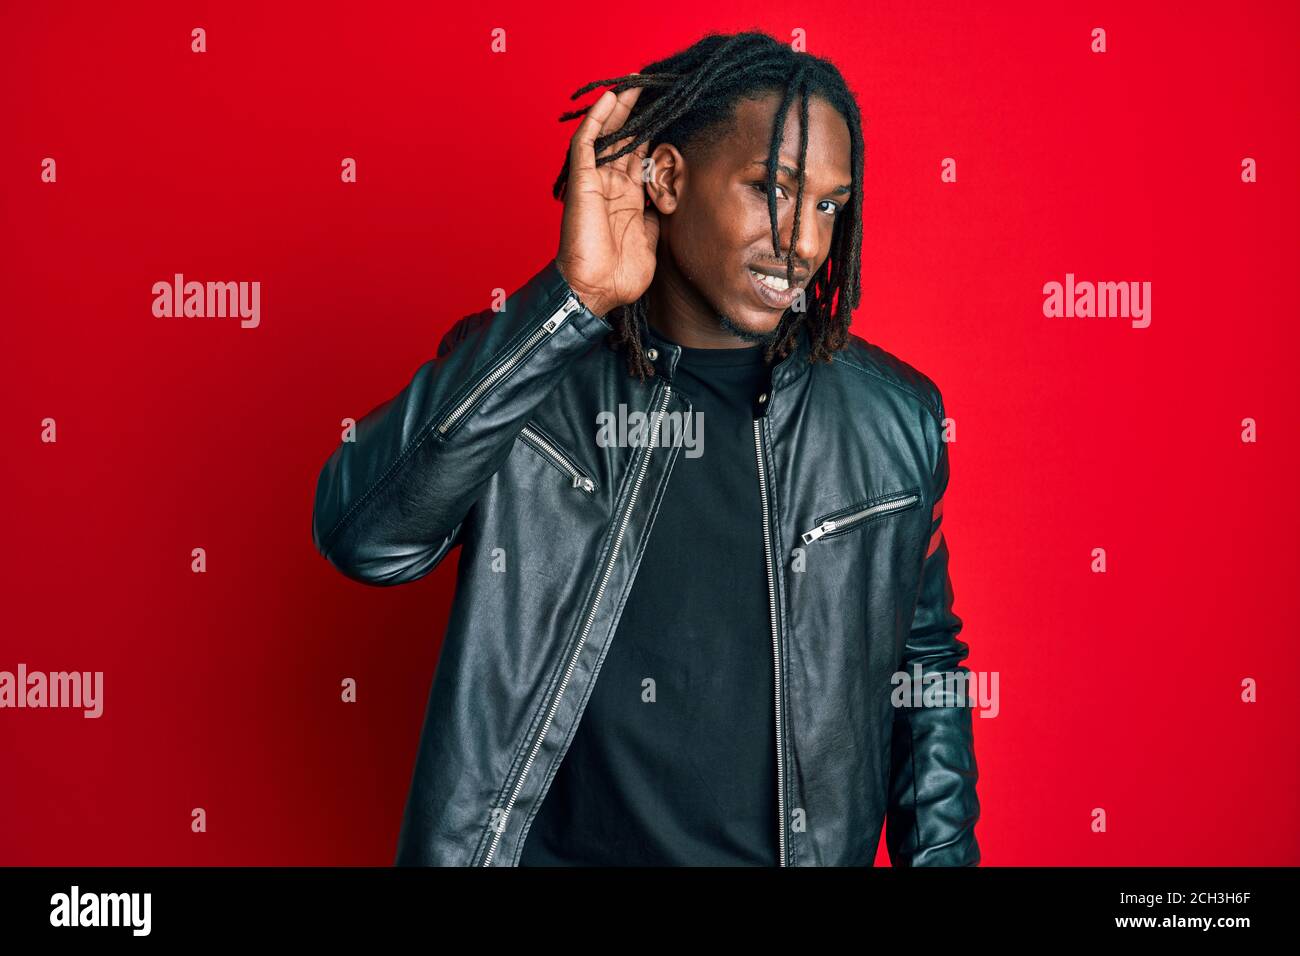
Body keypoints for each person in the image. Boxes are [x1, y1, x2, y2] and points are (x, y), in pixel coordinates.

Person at [311, 30, 980, 867]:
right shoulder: (532, 371)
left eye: (827, 205)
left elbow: (925, 671)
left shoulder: (891, 420)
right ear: (666, 178)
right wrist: (572, 301)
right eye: (770, 188)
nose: (805, 242)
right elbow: (364, 540)